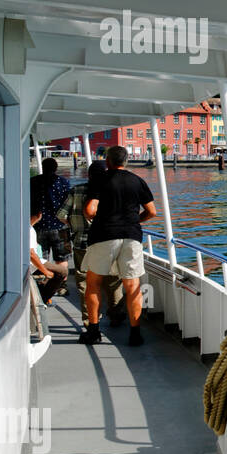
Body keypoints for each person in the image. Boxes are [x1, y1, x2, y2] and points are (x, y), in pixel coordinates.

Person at [79, 145, 156, 346]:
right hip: (131, 236)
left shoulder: (100, 179)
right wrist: (135, 221)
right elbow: (152, 211)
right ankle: (135, 333)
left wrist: (94, 216)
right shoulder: (137, 180)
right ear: (126, 161)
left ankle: (94, 331)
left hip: (104, 235)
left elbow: (90, 209)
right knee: (132, 286)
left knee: (93, 283)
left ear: (108, 161)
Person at [60, 160, 125, 327]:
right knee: (112, 279)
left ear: (88, 175)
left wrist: (74, 225)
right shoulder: (111, 190)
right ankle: (116, 315)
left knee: (84, 283)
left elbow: (61, 215)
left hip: (81, 242)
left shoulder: (75, 190)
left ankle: (89, 320)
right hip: (107, 242)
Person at [30, 157, 72, 292]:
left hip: (39, 225)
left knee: (42, 257)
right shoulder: (64, 182)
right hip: (61, 225)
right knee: (62, 257)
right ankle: (62, 286)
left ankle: (44, 283)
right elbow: (68, 203)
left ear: (42, 167)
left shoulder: (33, 181)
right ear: (56, 168)